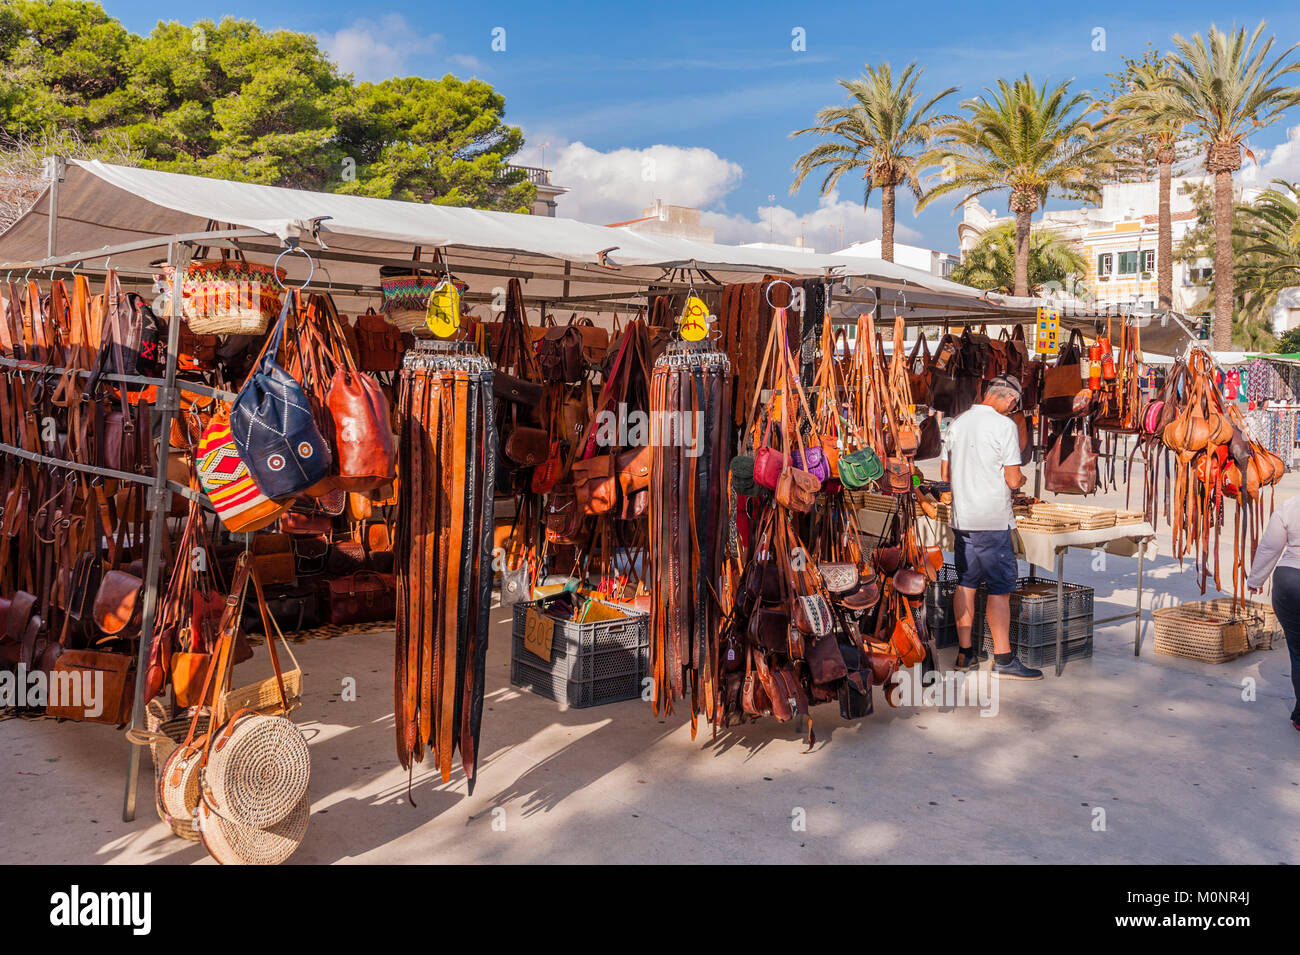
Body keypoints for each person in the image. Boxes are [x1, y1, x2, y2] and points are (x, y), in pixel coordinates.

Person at [939, 374, 1041, 680]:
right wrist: (1021, 480)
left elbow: (945, 472)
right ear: (1010, 400)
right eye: (1014, 405)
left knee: (966, 584)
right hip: (992, 522)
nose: (1012, 411)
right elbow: (1012, 479)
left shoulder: (957, 422)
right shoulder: (1004, 426)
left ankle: (965, 654)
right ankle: (1004, 659)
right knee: (1000, 591)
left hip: (963, 520)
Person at [1245, 494, 1300, 732]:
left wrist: (1256, 578)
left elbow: (1270, 546)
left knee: (1299, 653)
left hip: (1291, 582)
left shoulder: (1291, 505)